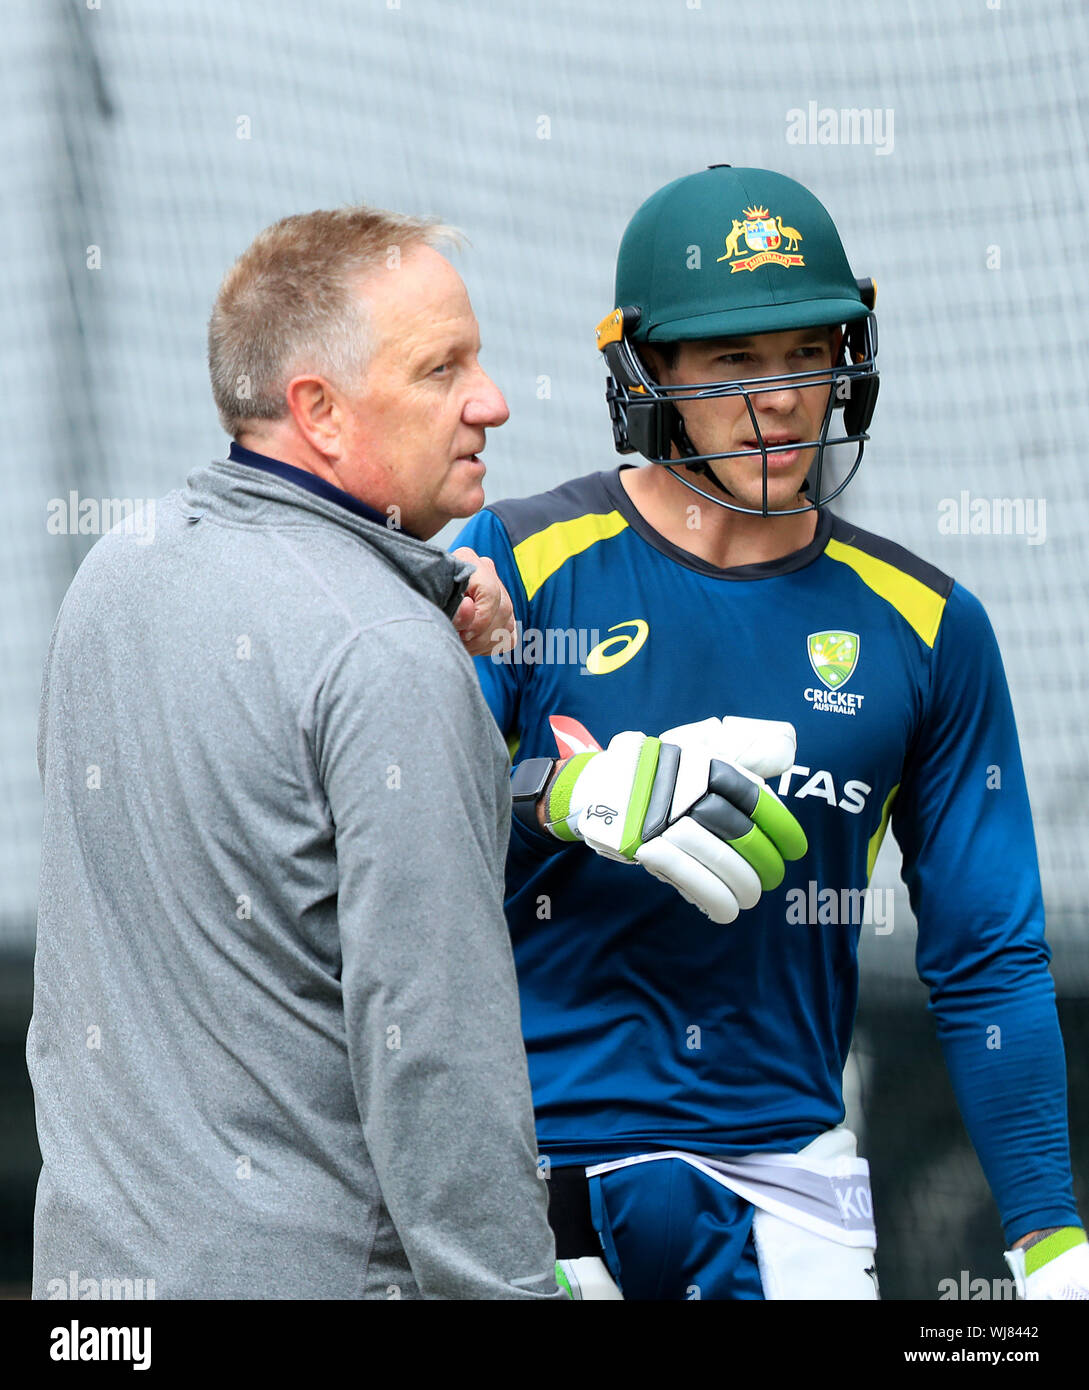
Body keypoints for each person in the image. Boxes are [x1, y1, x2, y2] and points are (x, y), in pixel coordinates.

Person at [453, 166, 1087, 1300]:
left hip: (791, 1197)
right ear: (650, 371)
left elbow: (988, 955)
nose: (781, 398)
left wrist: (1048, 1237)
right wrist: (556, 796)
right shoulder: (517, 562)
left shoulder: (931, 628)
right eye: (733, 361)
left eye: (807, 350)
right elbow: (394, 844)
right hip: (528, 1177)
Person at [28, 205, 566, 1300]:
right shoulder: (388, 657)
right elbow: (436, 1058)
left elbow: (256, 853)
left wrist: (415, 590)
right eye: (441, 368)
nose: (491, 400)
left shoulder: (114, 572)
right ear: (317, 410)